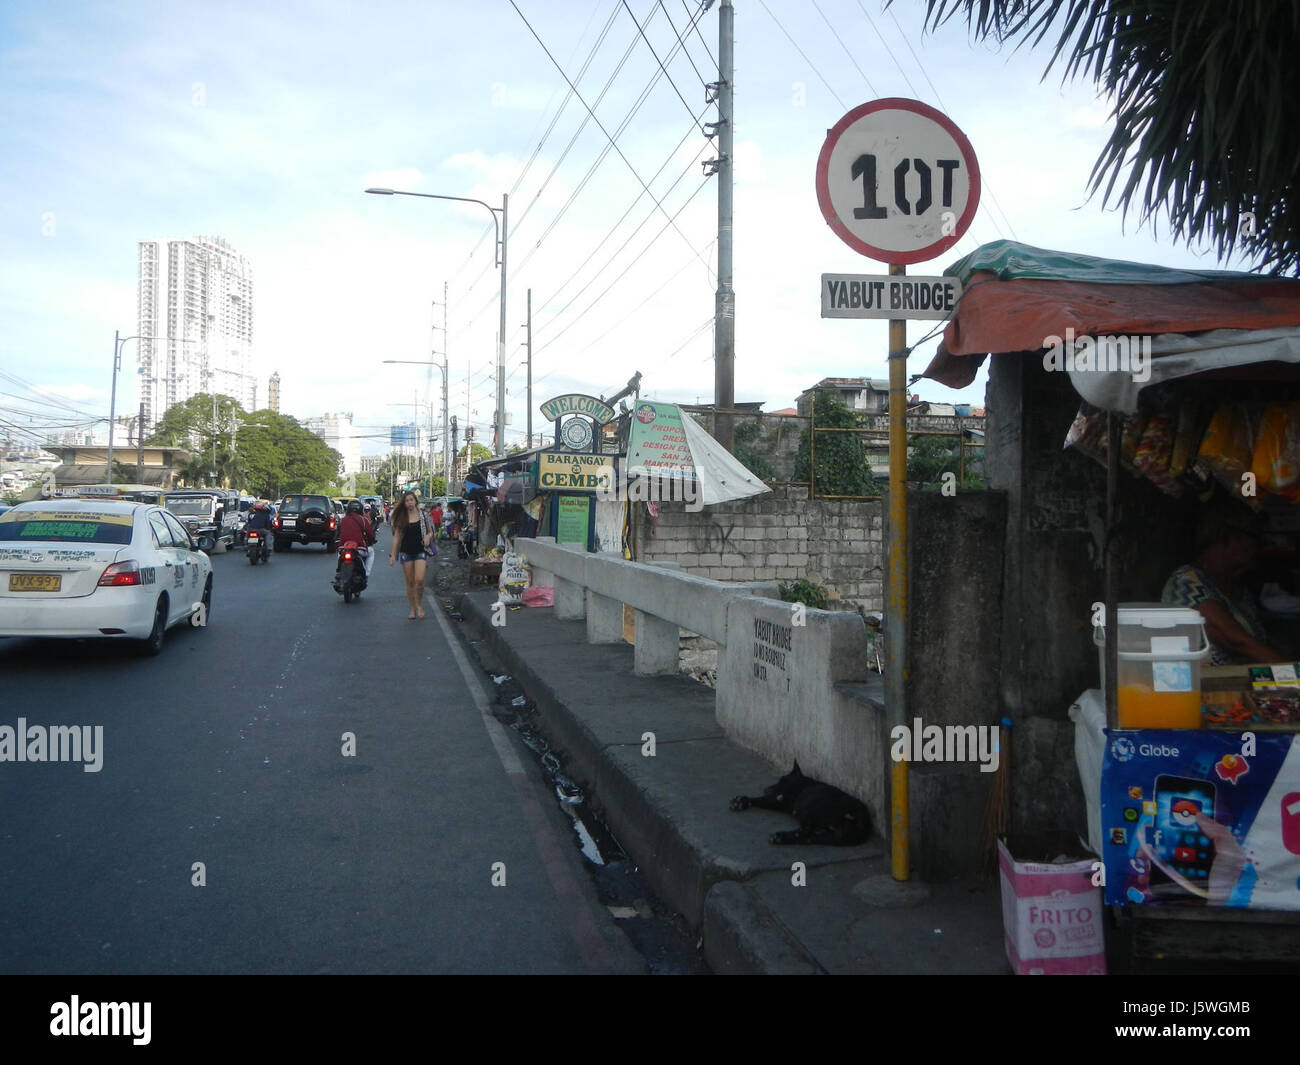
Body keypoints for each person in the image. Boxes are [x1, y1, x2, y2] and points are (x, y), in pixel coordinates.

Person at [1161, 506, 1284, 666]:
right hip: (1209, 685)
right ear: (1229, 538)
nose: (1258, 548)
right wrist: (1291, 672)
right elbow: (1236, 641)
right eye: (1255, 538)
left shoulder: (1237, 590)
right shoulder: (1187, 583)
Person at [388, 490, 434, 619]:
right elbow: (396, 537)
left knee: (419, 580)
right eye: (407, 500)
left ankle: (419, 605)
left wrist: (428, 537)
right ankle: (412, 609)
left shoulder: (424, 516)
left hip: (420, 551)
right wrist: (392, 555)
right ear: (404, 503)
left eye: (411, 500)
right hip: (406, 552)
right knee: (410, 582)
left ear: (415, 501)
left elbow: (431, 532)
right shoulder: (401, 518)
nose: (409, 503)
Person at [339, 500, 376, 577]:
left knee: (339, 556)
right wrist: (371, 541)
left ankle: (338, 571)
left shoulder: (343, 520)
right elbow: (370, 534)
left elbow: (339, 532)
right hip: (359, 548)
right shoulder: (363, 520)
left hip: (343, 548)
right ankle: (366, 574)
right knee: (371, 552)